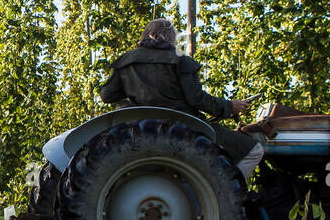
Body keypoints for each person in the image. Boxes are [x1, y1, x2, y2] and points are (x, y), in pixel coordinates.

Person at [100, 17, 265, 177]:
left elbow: (106, 95)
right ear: (171, 37)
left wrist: (130, 105)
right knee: (254, 150)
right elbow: (196, 99)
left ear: (145, 35)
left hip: (141, 129)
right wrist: (229, 106)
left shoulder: (126, 61)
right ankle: (225, 198)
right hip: (183, 128)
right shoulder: (180, 60)